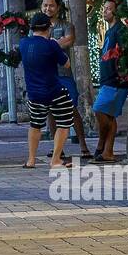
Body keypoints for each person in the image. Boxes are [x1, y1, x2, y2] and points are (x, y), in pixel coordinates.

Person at [20, 11, 75, 169]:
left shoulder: (24, 44)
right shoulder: (51, 44)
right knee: (64, 122)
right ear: (48, 28)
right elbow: (66, 64)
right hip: (54, 90)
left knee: (35, 125)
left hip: (34, 93)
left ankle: (31, 160)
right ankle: (56, 159)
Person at [41, 0, 92, 159]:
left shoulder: (66, 25)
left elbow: (69, 40)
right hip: (47, 76)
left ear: (58, 7)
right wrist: (56, 43)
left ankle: (83, 145)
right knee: (51, 111)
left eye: (51, 5)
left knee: (71, 108)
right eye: (45, 5)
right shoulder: (38, 26)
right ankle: (58, 148)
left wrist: (48, 44)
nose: (48, 8)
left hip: (64, 75)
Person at [93, 0, 128, 162]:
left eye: (108, 9)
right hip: (107, 79)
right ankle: (107, 151)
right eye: (104, 8)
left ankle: (102, 144)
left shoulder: (120, 30)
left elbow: (124, 54)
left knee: (99, 110)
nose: (105, 11)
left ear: (116, 11)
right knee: (110, 116)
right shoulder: (109, 31)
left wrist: (122, 73)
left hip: (115, 80)